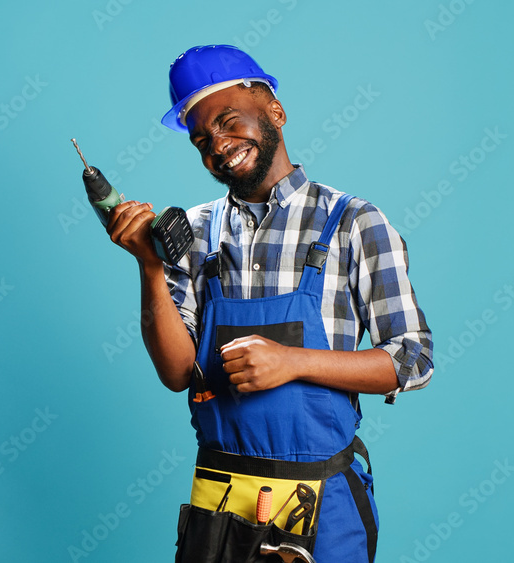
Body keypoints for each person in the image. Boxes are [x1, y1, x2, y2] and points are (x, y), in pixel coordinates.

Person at [105, 45, 433, 563]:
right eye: (202, 140)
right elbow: (175, 371)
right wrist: (147, 266)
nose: (219, 145)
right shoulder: (193, 232)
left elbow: (412, 358)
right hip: (221, 503)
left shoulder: (353, 223)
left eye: (230, 122)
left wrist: (293, 362)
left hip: (321, 502)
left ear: (274, 112)